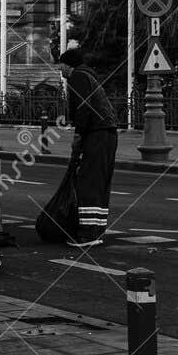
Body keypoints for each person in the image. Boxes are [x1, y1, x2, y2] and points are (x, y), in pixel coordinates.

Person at [59, 41, 118, 247]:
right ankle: (96, 228)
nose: (60, 70)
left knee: (89, 181)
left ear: (68, 66)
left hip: (97, 134)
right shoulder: (88, 76)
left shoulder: (78, 77)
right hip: (106, 133)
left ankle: (87, 234)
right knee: (99, 182)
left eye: (61, 66)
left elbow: (84, 108)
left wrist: (78, 135)